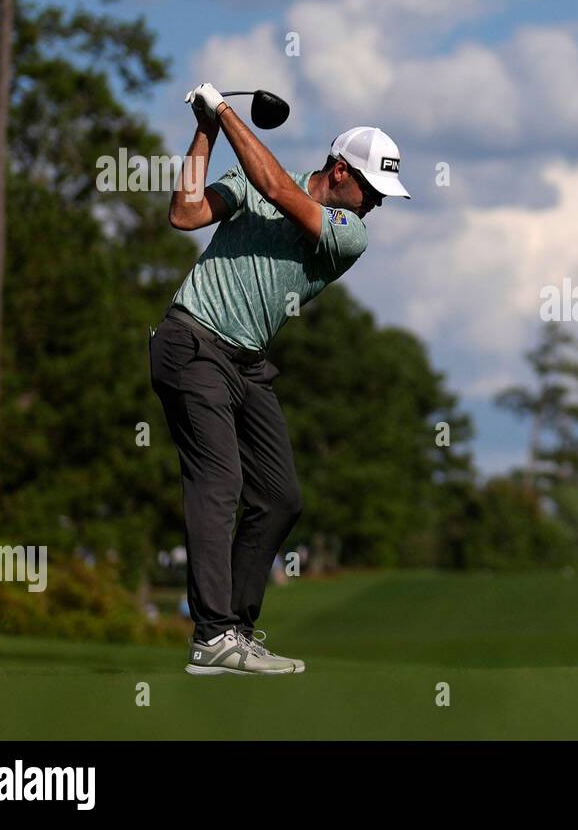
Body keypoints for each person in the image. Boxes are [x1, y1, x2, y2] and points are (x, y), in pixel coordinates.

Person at [151, 82, 410, 675]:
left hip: (247, 363)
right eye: (372, 189)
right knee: (220, 482)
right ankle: (213, 636)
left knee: (279, 497)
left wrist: (222, 108)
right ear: (340, 171)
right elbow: (184, 214)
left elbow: (275, 187)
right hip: (192, 342)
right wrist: (205, 132)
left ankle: (234, 631)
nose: (376, 204)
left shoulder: (349, 233)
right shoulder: (257, 181)